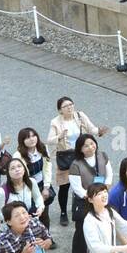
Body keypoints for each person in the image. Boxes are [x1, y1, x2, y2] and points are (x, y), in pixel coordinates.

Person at [46, 96, 110, 226]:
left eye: (71, 104)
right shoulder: (55, 122)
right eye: (65, 106)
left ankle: (85, 203)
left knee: (85, 182)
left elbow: (91, 129)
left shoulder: (80, 116)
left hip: (81, 155)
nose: (69, 107)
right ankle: (63, 212)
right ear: (60, 110)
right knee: (65, 186)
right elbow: (49, 140)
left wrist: (99, 131)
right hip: (66, 156)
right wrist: (60, 136)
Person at [67, 133, 112, 253]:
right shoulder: (76, 164)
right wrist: (91, 197)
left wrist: (106, 188)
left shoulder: (102, 155)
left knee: (103, 227)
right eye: (86, 145)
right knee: (81, 231)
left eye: (92, 143)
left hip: (102, 198)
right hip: (85, 201)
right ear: (80, 149)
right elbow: (77, 188)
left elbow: (109, 174)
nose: (90, 147)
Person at [0, 154, 48, 231]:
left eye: (19, 166)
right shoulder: (2, 192)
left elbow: (38, 197)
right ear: (8, 173)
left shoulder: (31, 182)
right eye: (12, 168)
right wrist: (14, 220)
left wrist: (40, 207)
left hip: (26, 222)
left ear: (24, 169)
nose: (17, 169)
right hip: (10, 228)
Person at [15, 127, 53, 224]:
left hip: (42, 185)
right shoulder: (18, 155)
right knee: (31, 215)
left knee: (44, 214)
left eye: (33, 136)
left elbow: (48, 168)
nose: (32, 139)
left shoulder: (42, 147)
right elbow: (18, 176)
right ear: (22, 141)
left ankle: (46, 238)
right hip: (28, 188)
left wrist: (46, 187)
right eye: (27, 138)